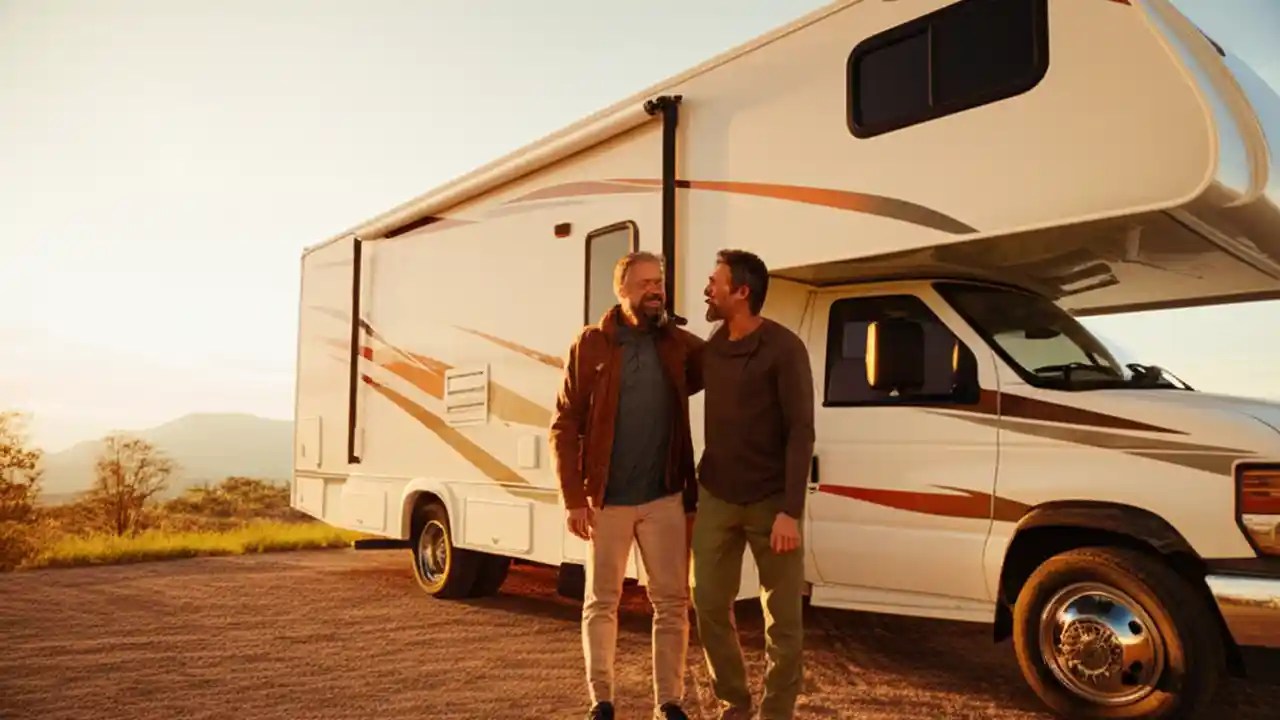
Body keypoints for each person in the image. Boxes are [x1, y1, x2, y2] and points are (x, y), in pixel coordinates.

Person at [549, 250, 706, 720]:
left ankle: (669, 703)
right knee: (602, 602)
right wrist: (574, 498)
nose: (655, 290)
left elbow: (721, 361)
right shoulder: (592, 344)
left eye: (659, 282)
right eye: (645, 284)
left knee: (672, 603)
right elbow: (564, 423)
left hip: (664, 497)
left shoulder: (675, 343)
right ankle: (602, 700)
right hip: (607, 501)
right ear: (621, 290)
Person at [691, 249, 815, 720]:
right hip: (717, 493)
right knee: (707, 601)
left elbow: (800, 431)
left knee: (782, 619)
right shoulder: (713, 347)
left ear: (742, 292)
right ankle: (735, 703)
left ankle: (776, 712)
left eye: (715, 282)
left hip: (772, 501)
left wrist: (790, 511)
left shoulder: (784, 349)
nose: (707, 289)